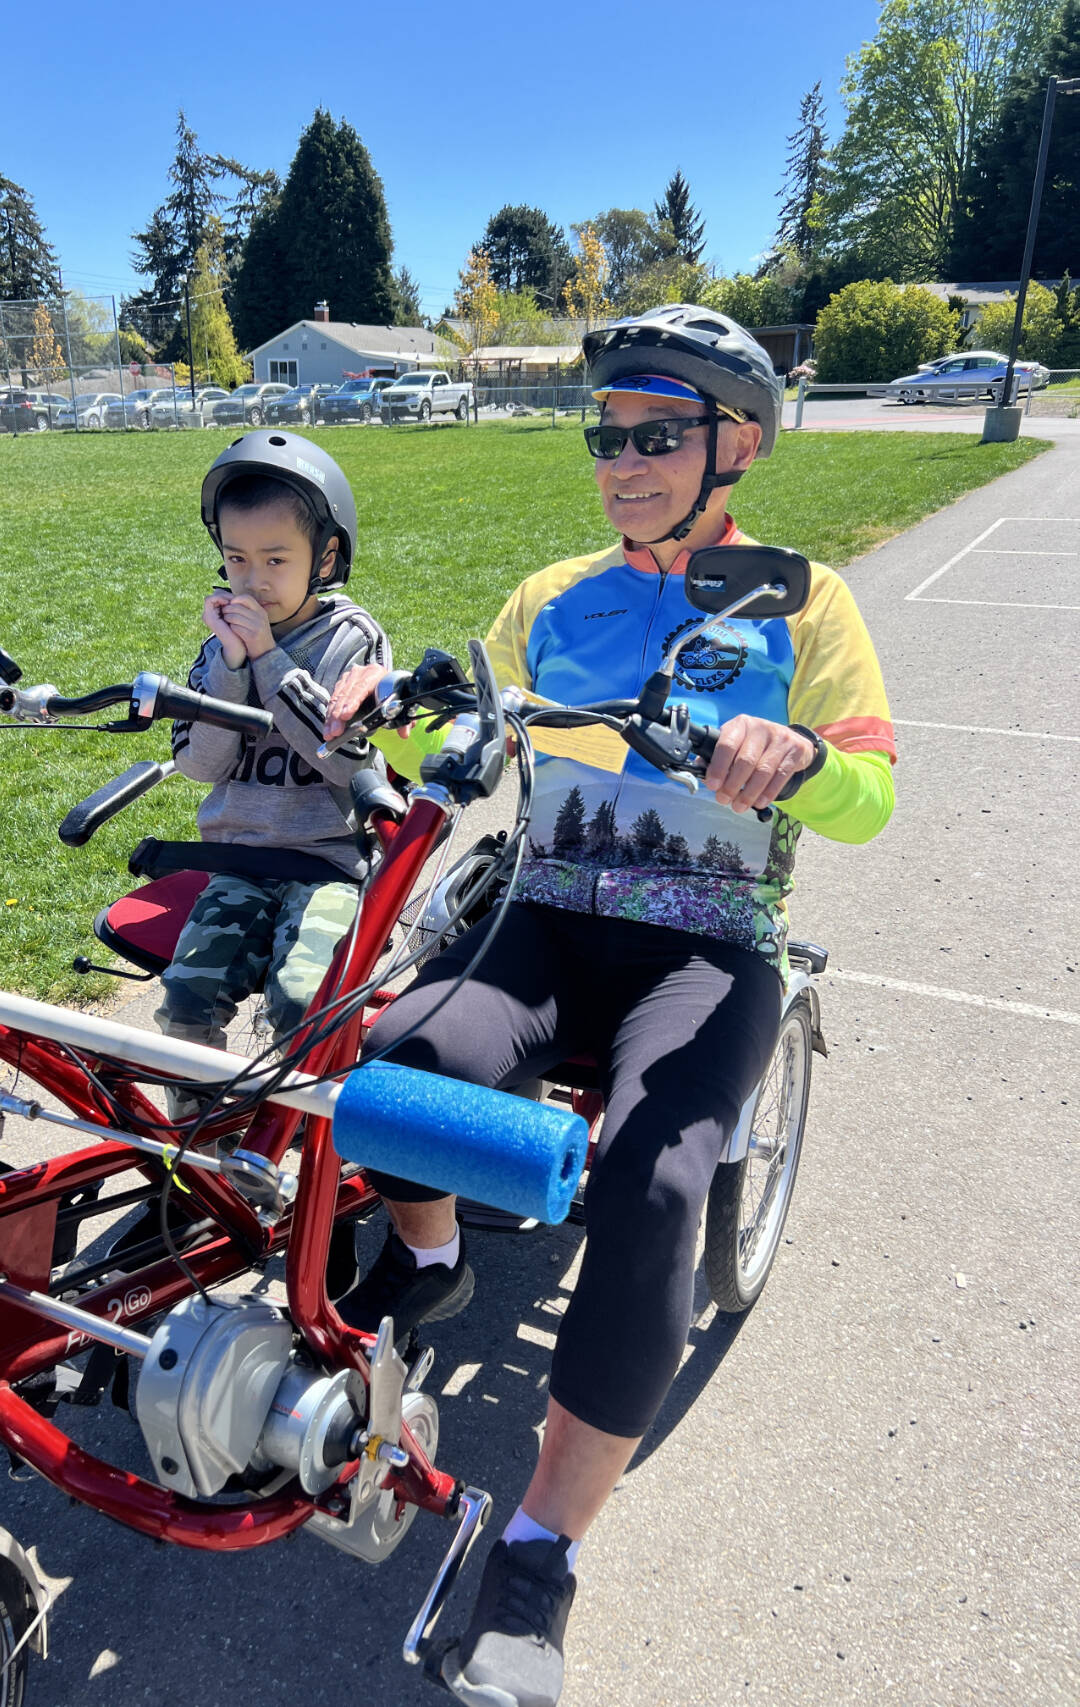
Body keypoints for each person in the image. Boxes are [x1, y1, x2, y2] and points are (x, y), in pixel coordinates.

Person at [322, 306, 896, 1707]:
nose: (622, 463)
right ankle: (435, 1254)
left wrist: (799, 754)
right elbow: (472, 712)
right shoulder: (553, 593)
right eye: (606, 436)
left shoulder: (806, 602)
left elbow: (872, 798)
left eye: (655, 435)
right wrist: (394, 697)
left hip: (706, 943)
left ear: (735, 444)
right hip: (549, 915)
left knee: (654, 1181)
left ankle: (537, 1559)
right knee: (388, 1069)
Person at [154, 432, 390, 1100]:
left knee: (302, 1001)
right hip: (239, 862)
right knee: (187, 999)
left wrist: (266, 658)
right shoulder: (219, 648)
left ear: (326, 557)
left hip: (327, 863)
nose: (253, 580)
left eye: (276, 559)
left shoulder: (352, 640)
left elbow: (342, 759)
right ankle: (199, 1139)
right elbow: (201, 764)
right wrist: (231, 665)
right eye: (236, 558)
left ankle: (310, 1135)